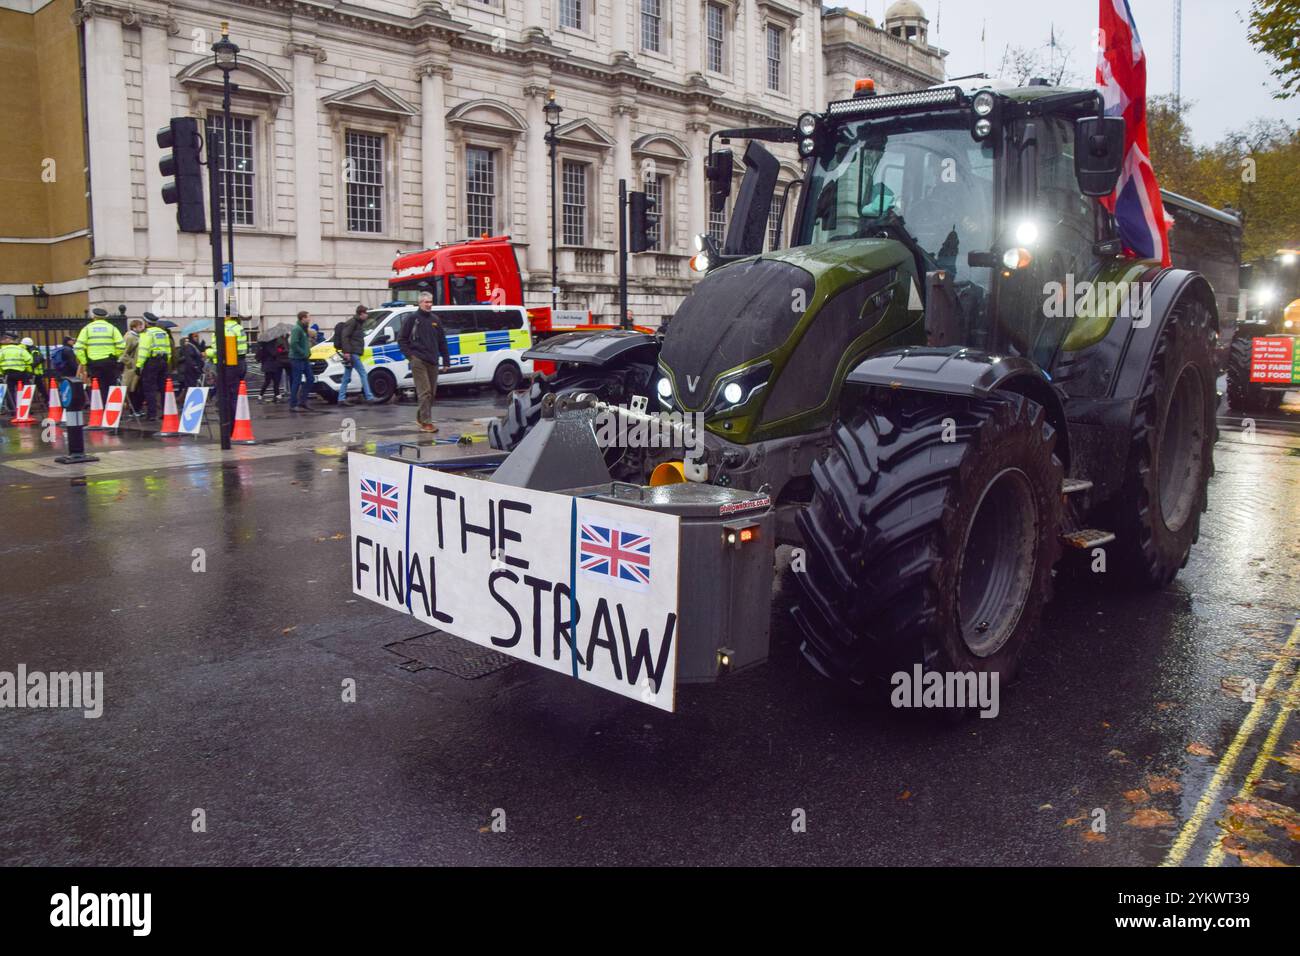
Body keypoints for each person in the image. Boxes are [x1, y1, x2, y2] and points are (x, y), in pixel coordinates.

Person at [396, 291, 451, 433]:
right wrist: (411, 357)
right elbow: (402, 339)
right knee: (425, 392)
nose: (429, 305)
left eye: (430, 302)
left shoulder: (435, 320)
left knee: (431, 393)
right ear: (420, 303)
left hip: (433, 360)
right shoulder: (412, 319)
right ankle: (426, 423)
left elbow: (442, 341)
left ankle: (421, 417)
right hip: (418, 360)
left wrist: (446, 360)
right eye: (426, 302)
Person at [74, 309, 126, 403]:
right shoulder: (112, 328)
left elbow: (78, 348)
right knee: (112, 386)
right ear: (105, 317)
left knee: (98, 386)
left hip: (94, 363)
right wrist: (115, 355)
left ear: (93, 317)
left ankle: (101, 409)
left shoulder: (87, 329)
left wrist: (84, 361)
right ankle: (112, 410)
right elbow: (121, 346)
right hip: (110, 361)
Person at [205, 315, 249, 418]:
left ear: (228, 316)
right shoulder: (238, 327)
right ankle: (237, 420)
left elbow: (222, 350)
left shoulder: (225, 329)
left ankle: (232, 423)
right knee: (235, 393)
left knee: (228, 395)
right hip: (240, 363)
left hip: (228, 364)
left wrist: (208, 352)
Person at [336, 305, 378, 405]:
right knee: (363, 374)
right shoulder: (353, 322)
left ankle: (341, 399)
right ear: (361, 314)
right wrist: (347, 352)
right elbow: (345, 337)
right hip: (352, 353)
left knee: (346, 376)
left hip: (351, 352)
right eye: (366, 313)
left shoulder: (357, 323)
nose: (367, 315)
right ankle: (369, 397)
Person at [135, 316, 173, 421]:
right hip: (163, 362)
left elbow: (143, 350)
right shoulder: (163, 333)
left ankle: (152, 414)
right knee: (163, 388)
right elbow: (168, 349)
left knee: (150, 389)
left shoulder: (147, 334)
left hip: (151, 362)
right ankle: (166, 412)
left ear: (146, 322)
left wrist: (139, 365)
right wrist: (167, 361)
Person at [288, 310, 318, 412]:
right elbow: (293, 344)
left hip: (304, 359)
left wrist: (307, 352)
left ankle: (302, 401)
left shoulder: (303, 329)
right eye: (308, 317)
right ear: (303, 318)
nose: (309, 319)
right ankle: (293, 404)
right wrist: (303, 353)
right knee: (296, 381)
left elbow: (304, 343)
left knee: (310, 379)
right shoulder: (297, 329)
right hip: (297, 359)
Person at [0, 332, 33, 413]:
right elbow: (30, 360)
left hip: (8, 373)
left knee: (10, 392)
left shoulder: (2, 350)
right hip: (21, 373)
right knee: (25, 391)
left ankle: (13, 410)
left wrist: (1, 372)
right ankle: (26, 410)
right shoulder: (21, 349)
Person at [119, 318, 145, 414]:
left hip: (138, 366)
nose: (142, 328)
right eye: (140, 326)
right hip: (132, 368)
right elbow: (123, 353)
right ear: (134, 327)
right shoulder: (130, 337)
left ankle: (136, 408)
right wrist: (131, 363)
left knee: (137, 389)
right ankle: (132, 409)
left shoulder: (139, 336)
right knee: (131, 389)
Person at [256, 334, 288, 403]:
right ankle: (260, 396)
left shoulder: (266, 344)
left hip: (270, 365)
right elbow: (274, 353)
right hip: (270, 366)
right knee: (268, 382)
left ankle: (277, 396)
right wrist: (281, 349)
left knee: (275, 381)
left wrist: (280, 348)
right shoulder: (269, 345)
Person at [178, 333, 205, 401]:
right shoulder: (189, 346)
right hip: (191, 370)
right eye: (195, 336)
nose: (197, 338)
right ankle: (190, 400)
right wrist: (195, 366)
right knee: (191, 385)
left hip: (195, 368)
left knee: (194, 385)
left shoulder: (195, 345)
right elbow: (190, 358)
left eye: (197, 336)